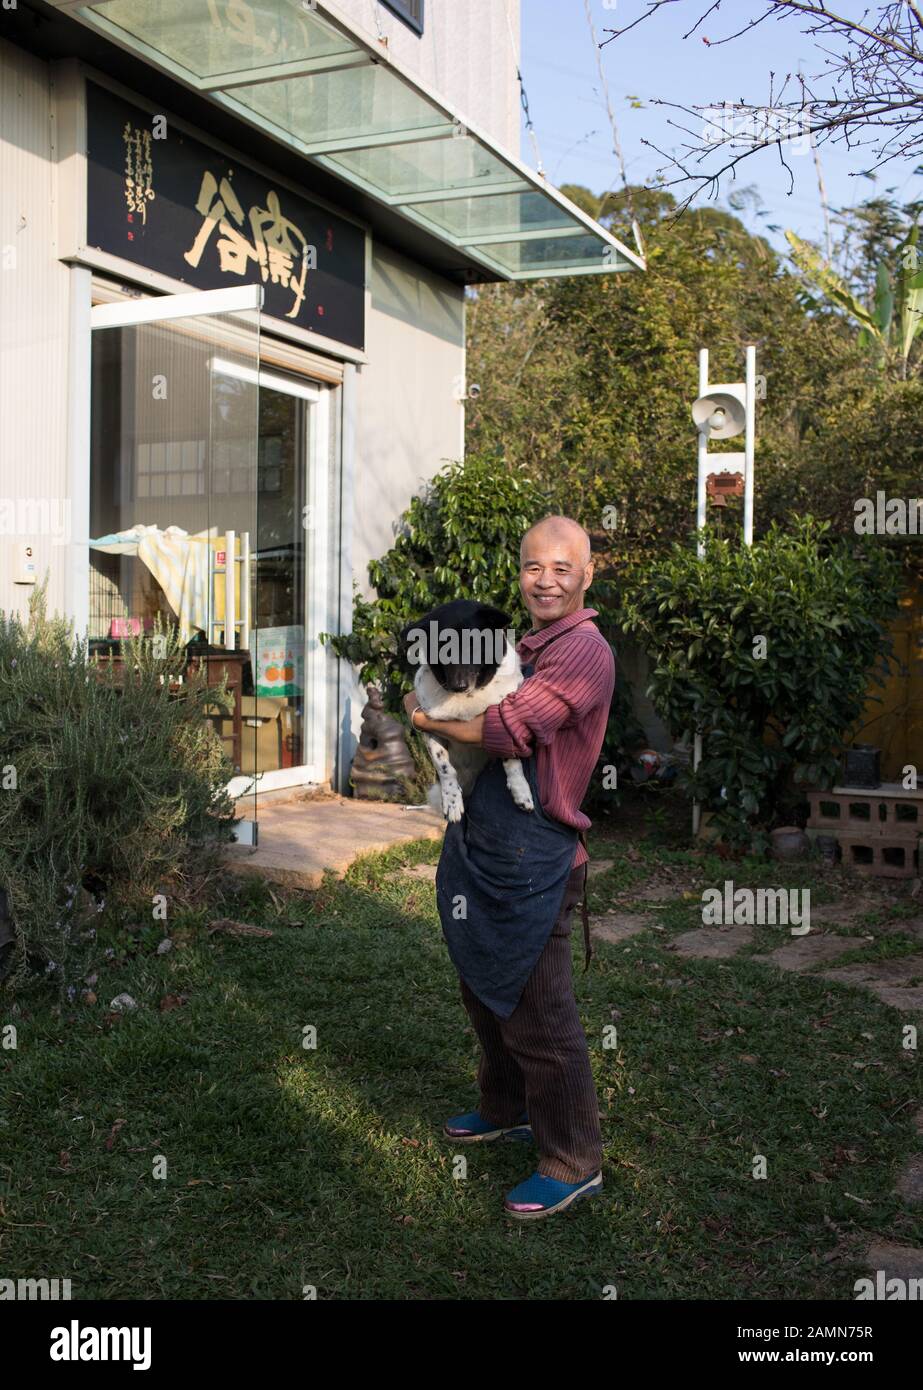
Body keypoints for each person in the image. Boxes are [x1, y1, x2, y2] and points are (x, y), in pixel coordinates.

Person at [403, 515, 615, 1219]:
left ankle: (572, 1159)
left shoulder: (581, 652)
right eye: (533, 567)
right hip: (482, 844)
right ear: (519, 572)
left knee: (539, 1012)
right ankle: (506, 1106)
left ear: (587, 574)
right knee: (481, 984)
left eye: (561, 567)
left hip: (535, 853)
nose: (545, 579)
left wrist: (427, 719)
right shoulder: (518, 645)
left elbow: (505, 730)